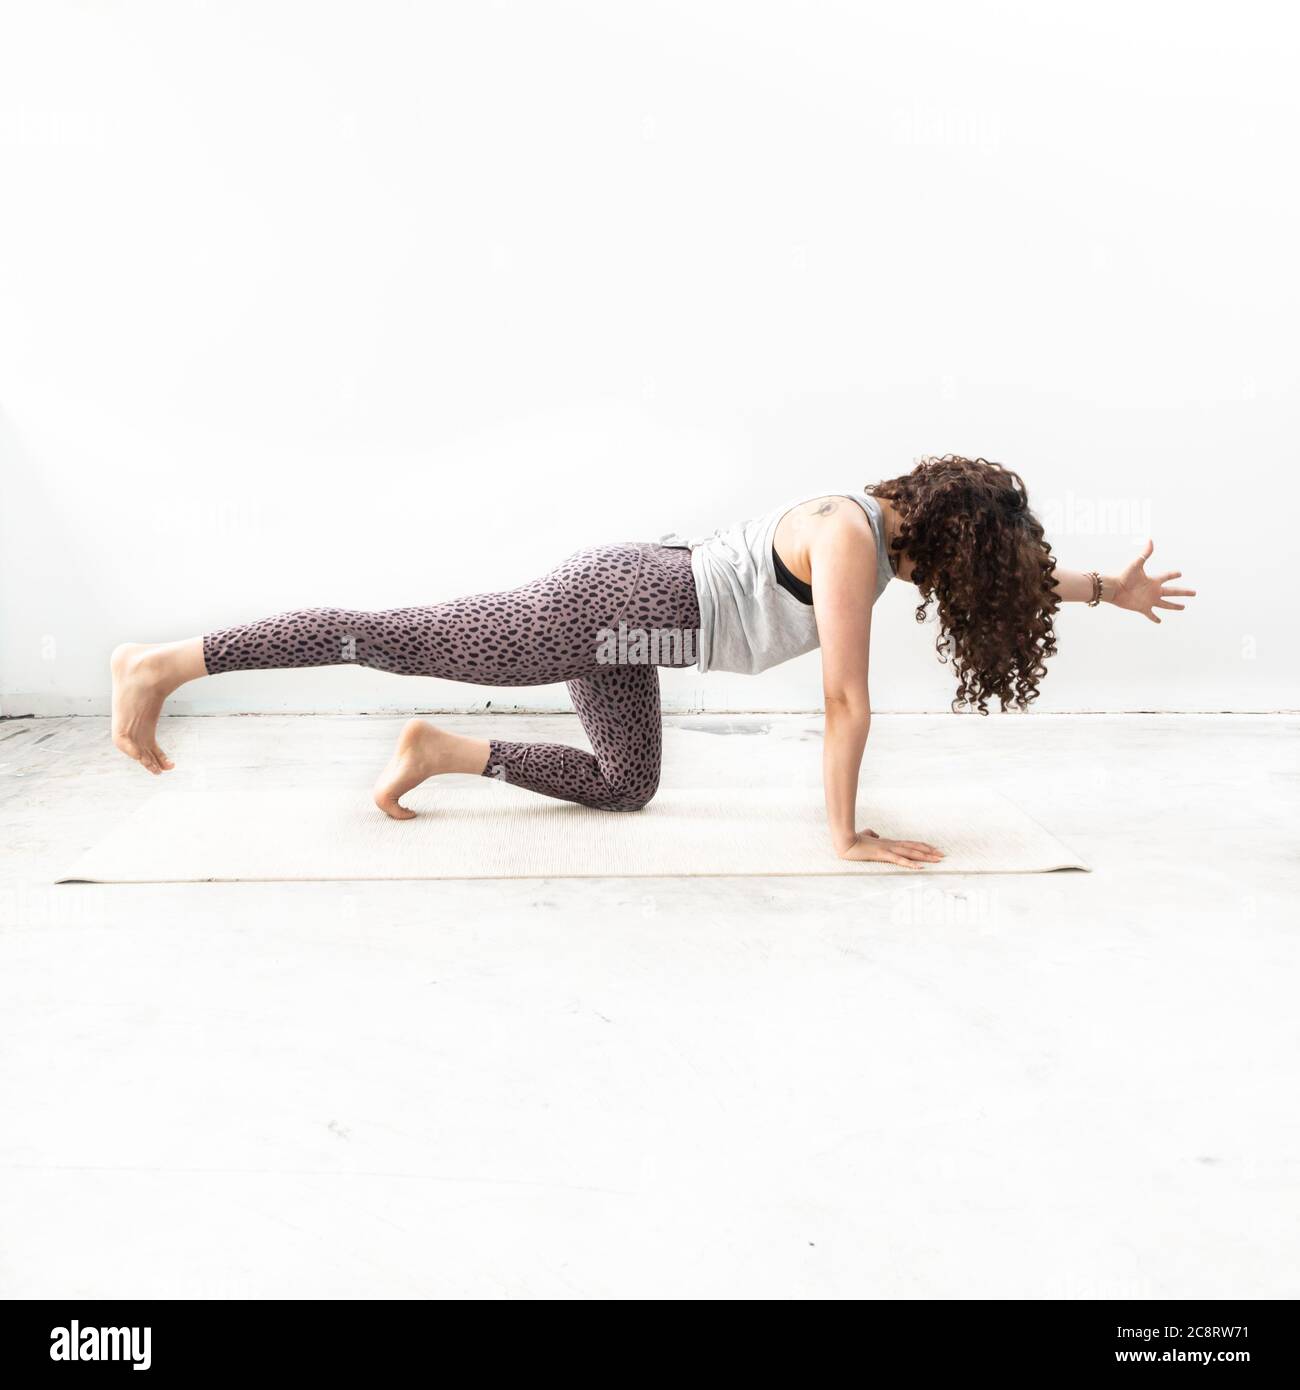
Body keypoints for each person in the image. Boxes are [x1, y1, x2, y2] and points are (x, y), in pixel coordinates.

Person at [109, 455, 1195, 868]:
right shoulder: (853, 540)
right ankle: (167, 665)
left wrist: (1102, 587)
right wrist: (843, 831)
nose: (983, 578)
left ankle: (440, 748)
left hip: (641, 623)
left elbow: (997, 587)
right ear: (951, 535)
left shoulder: (886, 534)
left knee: (625, 784)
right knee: (394, 634)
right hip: (613, 604)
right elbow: (845, 697)